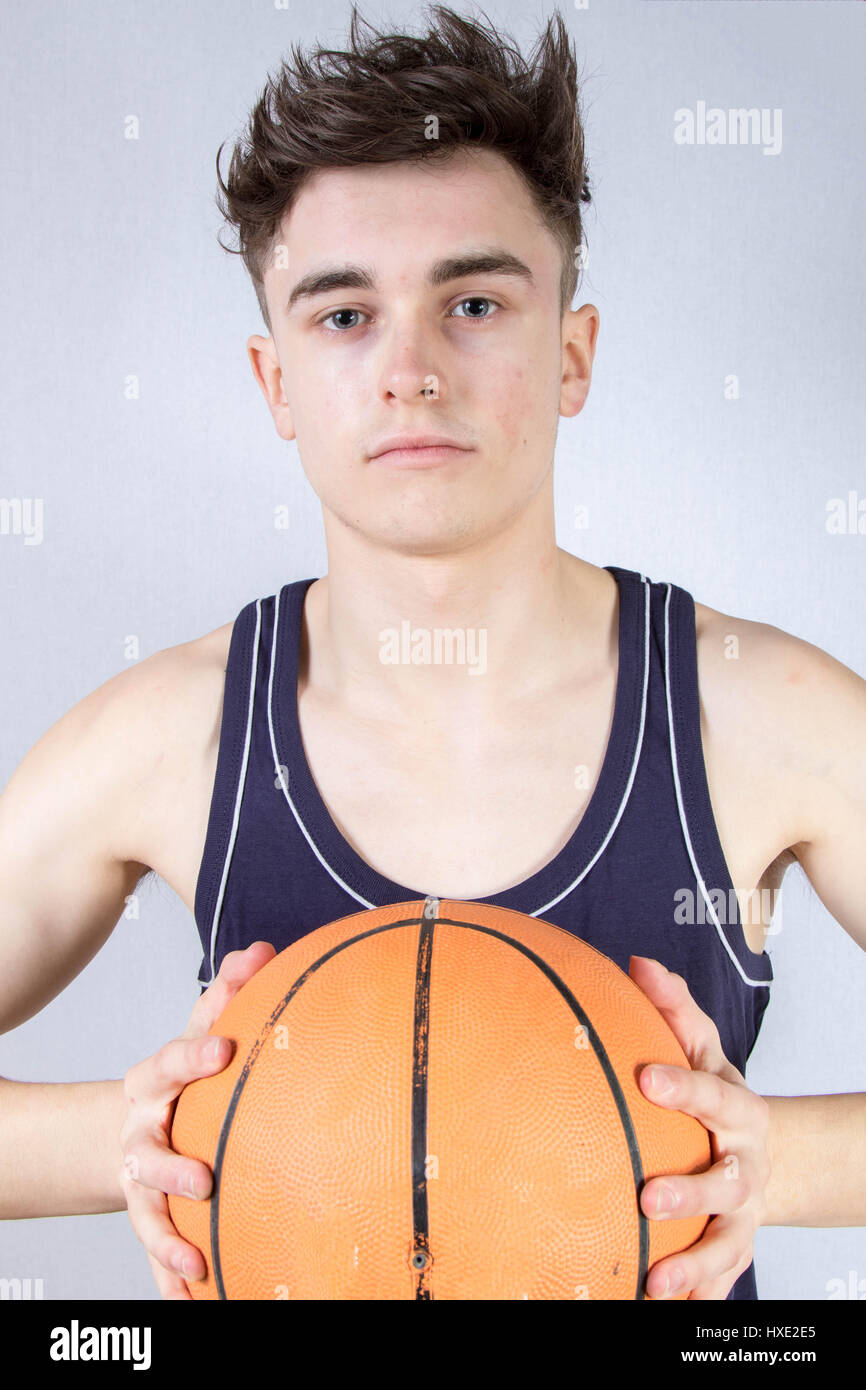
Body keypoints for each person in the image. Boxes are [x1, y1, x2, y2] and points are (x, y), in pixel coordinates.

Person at [1, 5, 864, 1302]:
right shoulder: (169, 732)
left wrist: (779, 1160)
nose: (409, 369)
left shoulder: (761, 712)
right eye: (342, 315)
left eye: (471, 301)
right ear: (273, 381)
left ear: (569, 353)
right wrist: (122, 1136)